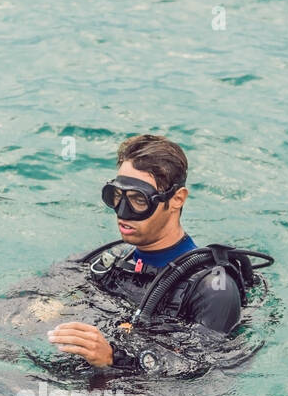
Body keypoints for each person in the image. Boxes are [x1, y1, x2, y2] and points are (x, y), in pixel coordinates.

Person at [47, 134, 272, 372]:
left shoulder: (214, 290)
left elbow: (205, 374)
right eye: (116, 196)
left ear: (176, 199)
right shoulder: (108, 262)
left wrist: (113, 358)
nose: (122, 213)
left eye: (138, 200)